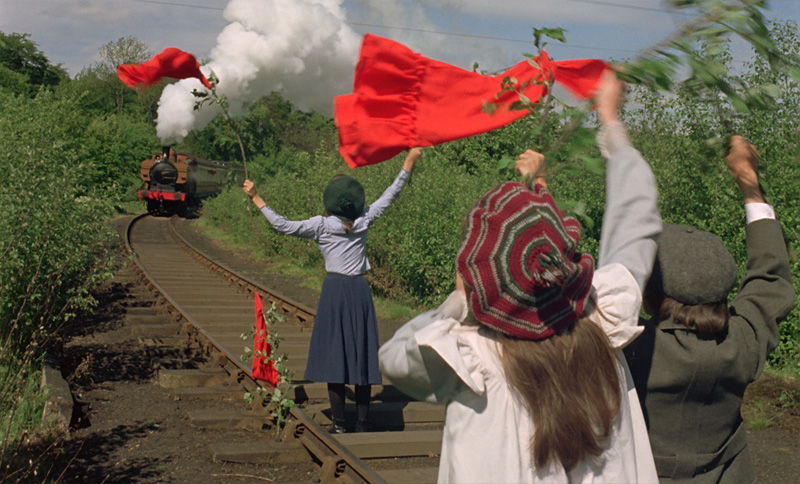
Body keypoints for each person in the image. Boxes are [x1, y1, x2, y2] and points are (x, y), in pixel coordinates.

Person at [378, 71, 661, 483]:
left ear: (476, 277)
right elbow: (638, 209)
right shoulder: (607, 321)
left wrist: (461, 298)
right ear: (564, 268)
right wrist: (609, 119)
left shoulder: (469, 364)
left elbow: (395, 356)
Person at [623, 135, 795, 483]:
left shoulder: (632, 352)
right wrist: (749, 181)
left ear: (648, 296)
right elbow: (771, 276)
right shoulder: (744, 342)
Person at [242, 147, 422, 433]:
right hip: (360, 292)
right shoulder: (365, 219)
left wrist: (256, 197)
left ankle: (339, 424)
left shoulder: (321, 225)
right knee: (362, 359)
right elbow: (392, 193)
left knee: (335, 358)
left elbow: (283, 225)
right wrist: (408, 162)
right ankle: (362, 423)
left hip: (335, 292)